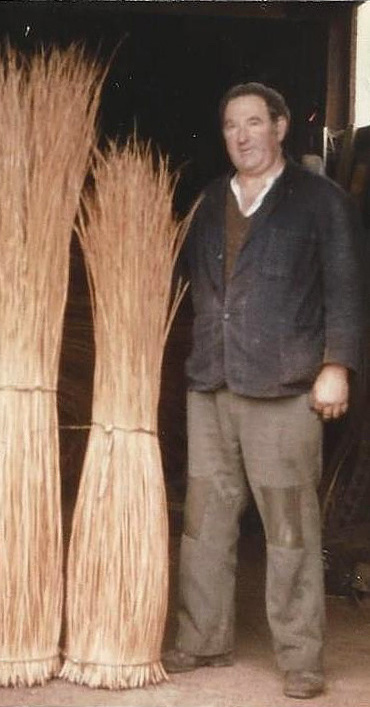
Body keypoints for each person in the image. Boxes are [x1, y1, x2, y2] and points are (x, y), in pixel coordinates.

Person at [162, 83, 363, 700]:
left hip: (284, 386)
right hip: (213, 381)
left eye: (254, 122)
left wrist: (338, 366)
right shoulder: (208, 201)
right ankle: (203, 638)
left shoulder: (319, 201)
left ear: (279, 127)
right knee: (205, 522)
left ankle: (301, 658)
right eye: (230, 125)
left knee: (290, 526)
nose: (242, 136)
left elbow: (347, 288)